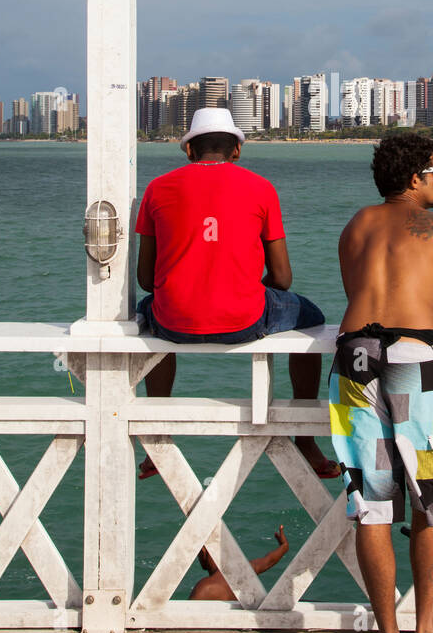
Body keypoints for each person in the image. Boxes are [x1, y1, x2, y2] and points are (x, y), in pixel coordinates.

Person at [135, 106, 339, 479]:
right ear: (237, 150)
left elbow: (146, 280)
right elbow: (282, 278)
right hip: (245, 320)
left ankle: (157, 435)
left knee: (150, 311)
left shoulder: (156, 189)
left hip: (173, 322)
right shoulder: (261, 188)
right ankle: (305, 436)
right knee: (313, 320)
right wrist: (244, 285)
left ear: (189, 150)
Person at [330, 132, 433, 633]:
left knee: (372, 501)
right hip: (414, 358)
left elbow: (356, 291)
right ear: (415, 178)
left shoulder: (355, 225)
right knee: (426, 497)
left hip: (357, 357)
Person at [191, 526, 289, 600]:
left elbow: (184, 621)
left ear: (204, 551)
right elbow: (268, 560)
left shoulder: (205, 588)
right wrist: (284, 546)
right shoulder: (243, 571)